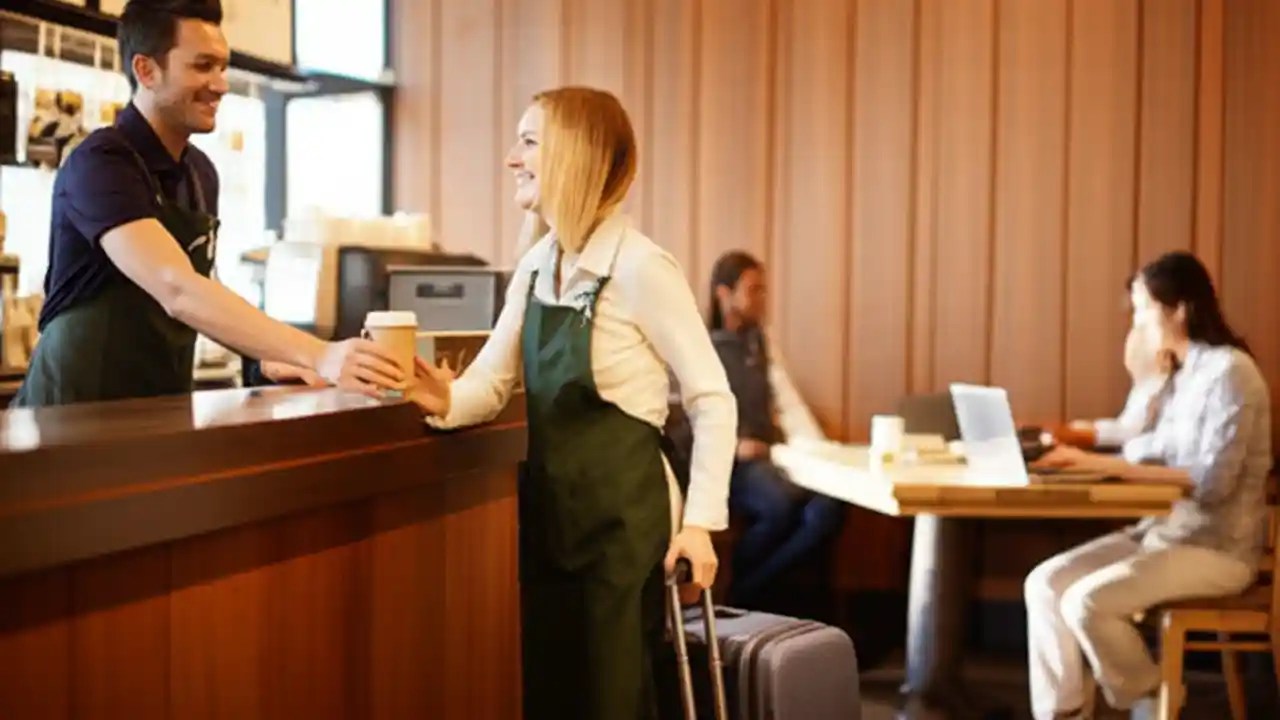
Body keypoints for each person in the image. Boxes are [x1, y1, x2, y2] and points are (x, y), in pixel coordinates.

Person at [407, 86, 736, 719]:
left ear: (575, 155)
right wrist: (436, 397)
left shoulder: (641, 267)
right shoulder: (535, 266)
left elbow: (712, 399)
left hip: (625, 520)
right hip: (552, 516)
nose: (512, 158)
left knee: (613, 695)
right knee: (551, 689)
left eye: (529, 141)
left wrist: (701, 524)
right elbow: (490, 385)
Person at [13, 0, 402, 408]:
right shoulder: (101, 163)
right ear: (146, 70)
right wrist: (320, 354)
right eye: (202, 66)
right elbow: (176, 287)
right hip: (65, 424)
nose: (220, 84)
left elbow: (201, 282)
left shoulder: (199, 172)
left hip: (158, 416)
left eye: (222, 66)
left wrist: (265, 358)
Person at [1024, 251, 1273, 720]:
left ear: (1178, 309)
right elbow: (1147, 443)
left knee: (1085, 602)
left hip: (1219, 549)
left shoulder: (1231, 373)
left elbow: (1212, 484)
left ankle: (1152, 697)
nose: (1137, 321)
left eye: (1143, 309)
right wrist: (1076, 457)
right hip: (1164, 533)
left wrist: (1110, 466)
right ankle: (1064, 712)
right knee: (1045, 583)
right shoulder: (1182, 375)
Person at [707, 250, 845, 608]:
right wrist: (734, 446)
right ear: (724, 294)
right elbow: (685, 418)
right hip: (730, 465)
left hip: (771, 459)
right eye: (753, 290)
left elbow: (788, 401)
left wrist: (820, 452)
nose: (762, 299)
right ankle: (743, 592)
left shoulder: (761, 343)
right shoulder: (701, 346)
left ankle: (750, 590)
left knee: (829, 508)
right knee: (781, 506)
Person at [1055, 323, 1176, 449]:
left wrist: (1083, 434)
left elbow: (1129, 431)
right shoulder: (1144, 385)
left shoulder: (1156, 385)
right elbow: (1126, 425)